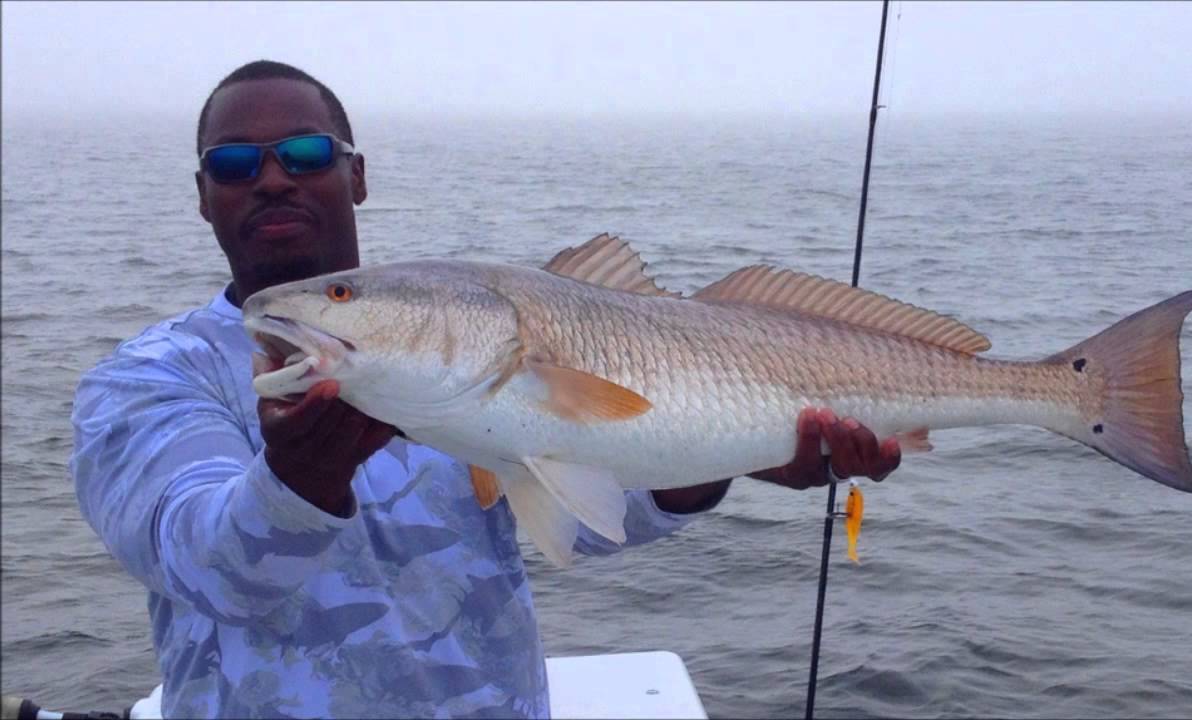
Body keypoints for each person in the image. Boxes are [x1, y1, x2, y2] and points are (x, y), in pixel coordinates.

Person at [70, 60, 902, 718]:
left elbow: (588, 521)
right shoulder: (144, 383)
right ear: (204, 196)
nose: (274, 178)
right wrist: (299, 481)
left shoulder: (455, 342)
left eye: (308, 153)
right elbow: (209, 567)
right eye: (235, 163)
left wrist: (727, 456)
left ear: (356, 176)